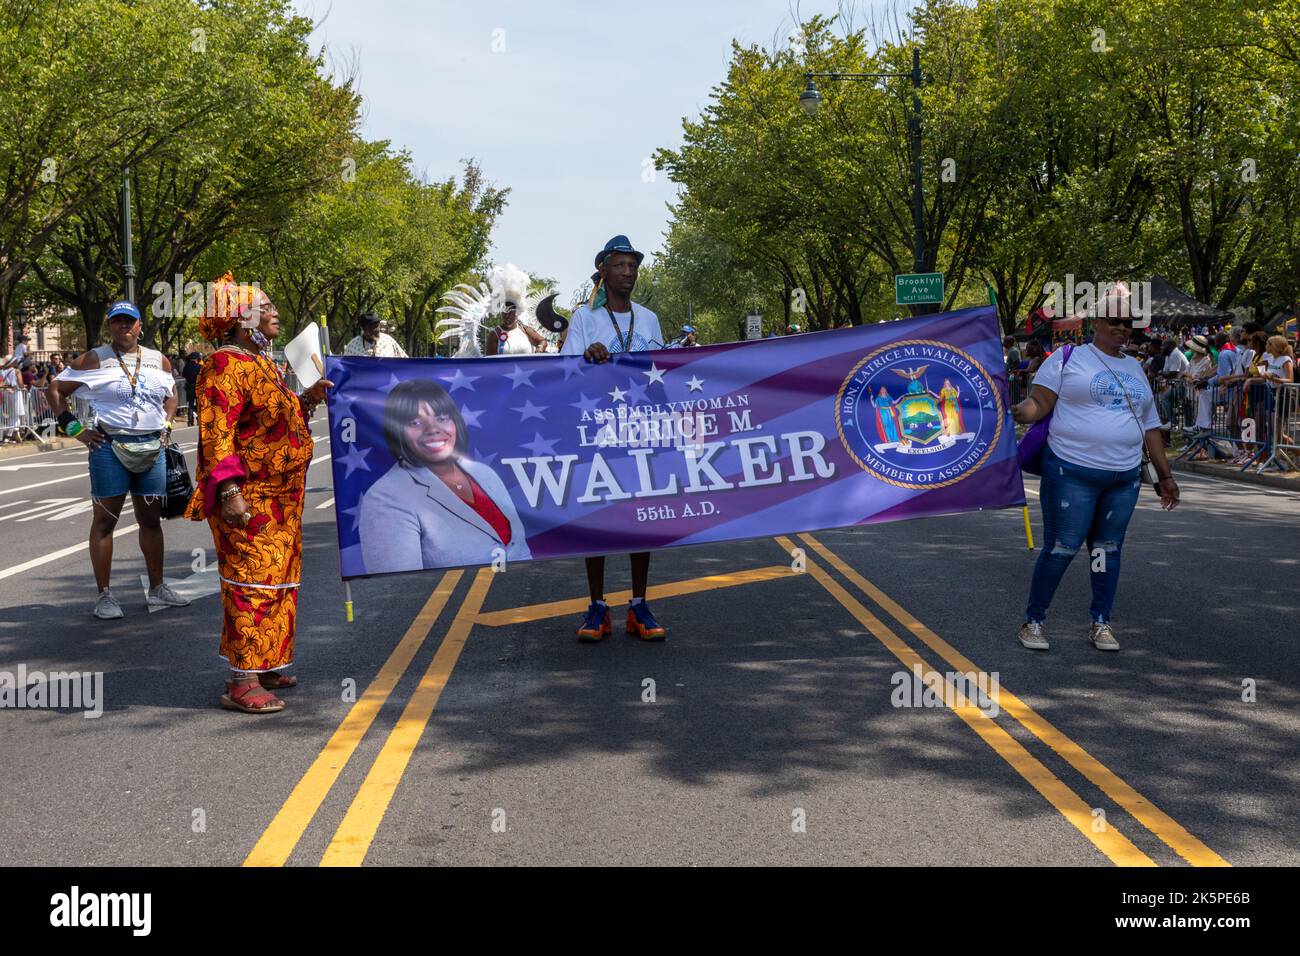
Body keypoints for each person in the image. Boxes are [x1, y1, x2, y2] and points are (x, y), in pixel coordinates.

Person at [185, 272, 332, 714]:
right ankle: (241, 680)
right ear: (239, 318)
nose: (275, 313)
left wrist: (306, 400)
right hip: (250, 498)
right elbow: (217, 435)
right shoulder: (224, 365)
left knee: (278, 581)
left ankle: (266, 661)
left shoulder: (260, 362)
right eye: (264, 307)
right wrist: (229, 491)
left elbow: (272, 422)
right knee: (251, 582)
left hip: (283, 500)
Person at [1011, 287, 1179, 653]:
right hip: (1071, 471)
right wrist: (1016, 412)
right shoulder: (1067, 358)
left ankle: (1101, 622)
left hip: (1123, 478)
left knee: (1106, 550)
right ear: (1095, 323)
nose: (1122, 328)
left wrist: (1165, 477)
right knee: (1062, 547)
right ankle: (1034, 621)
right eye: (1114, 321)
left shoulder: (1134, 367)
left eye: (1128, 323)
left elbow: (1150, 426)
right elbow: (1038, 403)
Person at [46, 300, 190, 619]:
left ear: (140, 326)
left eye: (129, 322)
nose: (124, 327)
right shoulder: (95, 358)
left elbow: (172, 394)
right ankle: (105, 596)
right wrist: (75, 429)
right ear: (110, 326)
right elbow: (55, 390)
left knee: (151, 521)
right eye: (117, 322)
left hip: (152, 449)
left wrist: (167, 423)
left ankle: (157, 587)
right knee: (104, 522)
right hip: (110, 448)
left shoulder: (158, 360)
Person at [561, 235, 667, 642]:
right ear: (602, 271)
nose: (628, 273)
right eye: (620, 266)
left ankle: (638, 603)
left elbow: (658, 370)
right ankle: (597, 606)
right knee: (599, 515)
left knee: (642, 515)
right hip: (598, 430)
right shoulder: (584, 318)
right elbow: (564, 370)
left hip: (640, 428)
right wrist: (588, 355)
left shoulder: (649, 317)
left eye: (633, 266)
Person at [359, 380, 530, 572]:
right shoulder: (385, 498)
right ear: (396, 431)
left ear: (455, 422)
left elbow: (520, 550)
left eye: (442, 418)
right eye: (415, 422)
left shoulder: (484, 473)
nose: (432, 429)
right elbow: (399, 590)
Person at [344, 311, 408, 358]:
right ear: (364, 329)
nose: (378, 330)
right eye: (373, 327)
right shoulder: (352, 346)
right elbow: (345, 368)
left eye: (378, 326)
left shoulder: (389, 342)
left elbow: (405, 361)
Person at [182, 349, 202, 426]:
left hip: (189, 386)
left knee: (190, 403)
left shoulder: (186, 366)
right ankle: (199, 419)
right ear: (197, 358)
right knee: (198, 403)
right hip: (198, 387)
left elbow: (183, 375)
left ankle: (190, 420)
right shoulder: (200, 367)